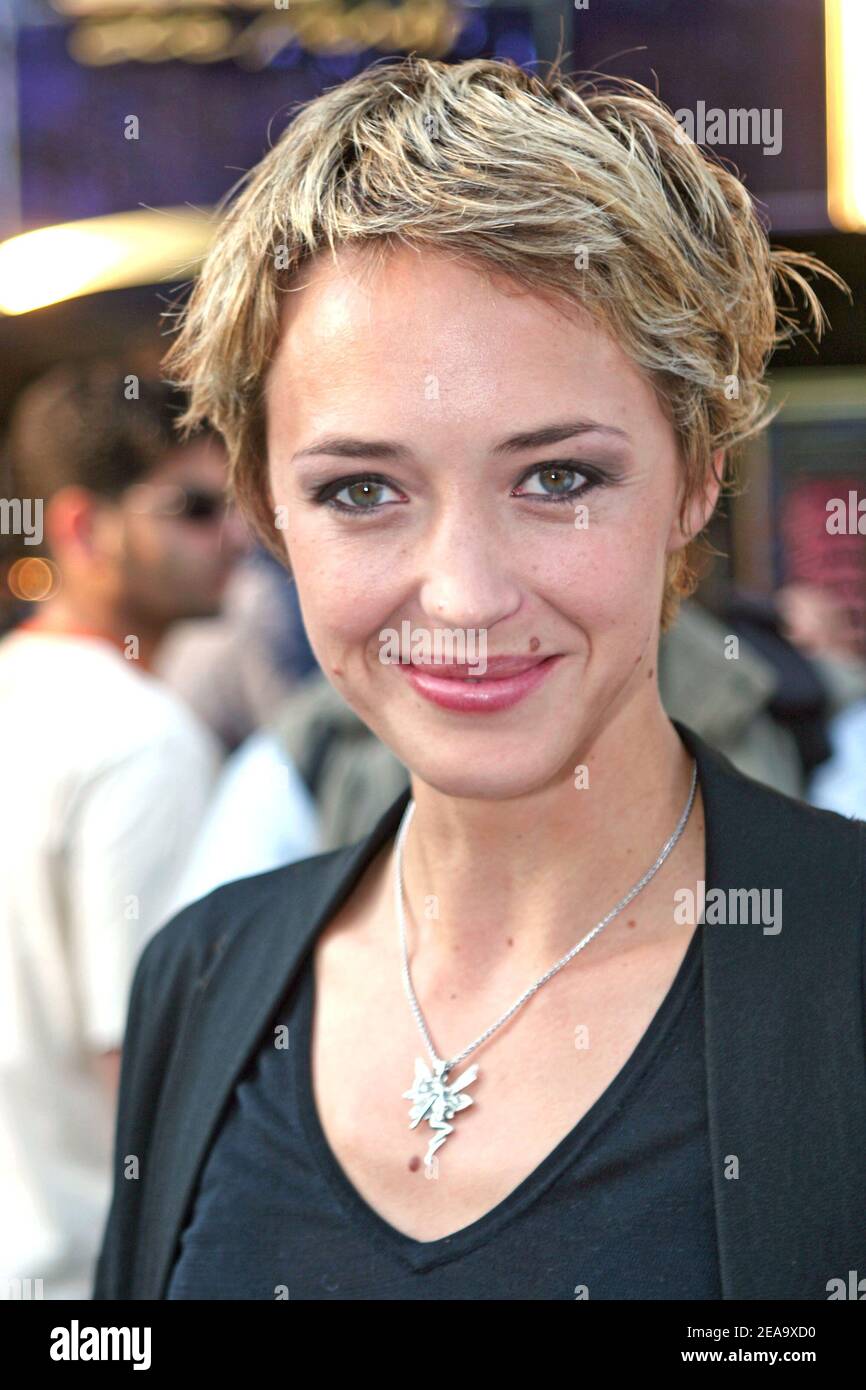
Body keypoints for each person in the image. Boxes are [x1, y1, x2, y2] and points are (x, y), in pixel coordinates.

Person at [94, 58, 865, 1301]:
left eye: (557, 476)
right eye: (362, 491)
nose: (461, 595)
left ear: (697, 474)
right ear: (265, 511)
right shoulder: (201, 976)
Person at [0, 362, 246, 1299]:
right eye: (189, 507)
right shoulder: (142, 739)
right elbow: (149, 1066)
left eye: (232, 504)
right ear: (78, 526)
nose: (233, 535)